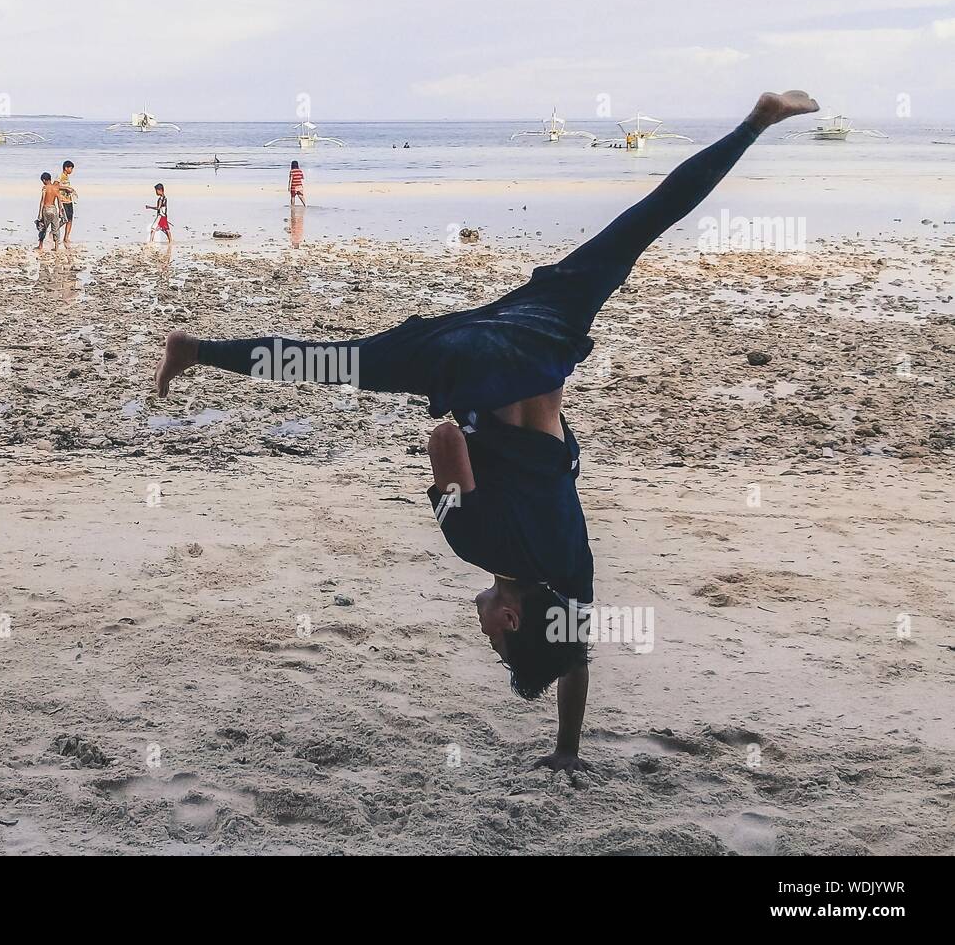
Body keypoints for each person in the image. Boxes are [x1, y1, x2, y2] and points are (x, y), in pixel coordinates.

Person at [153, 90, 819, 772]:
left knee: (645, 222)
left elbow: (573, 656)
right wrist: (454, 460)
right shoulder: (472, 542)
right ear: (508, 619)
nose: (483, 632)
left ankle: (757, 121)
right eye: (493, 641)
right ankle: (199, 349)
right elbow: (444, 439)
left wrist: (567, 751)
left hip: (544, 327)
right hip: (471, 361)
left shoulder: (570, 573)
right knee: (332, 362)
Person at [35, 171, 65, 253]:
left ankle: (40, 245)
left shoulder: (45, 188)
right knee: (56, 228)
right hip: (53, 209)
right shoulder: (56, 188)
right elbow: (59, 201)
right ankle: (56, 247)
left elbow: (42, 201)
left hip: (46, 209)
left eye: (43, 181)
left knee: (43, 228)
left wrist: (40, 213)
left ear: (44, 180)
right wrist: (60, 211)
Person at [57, 160, 78, 246]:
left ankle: (66, 237)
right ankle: (53, 231)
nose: (71, 171)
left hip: (69, 200)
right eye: (71, 169)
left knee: (70, 219)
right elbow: (55, 186)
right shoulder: (60, 176)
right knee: (64, 219)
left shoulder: (66, 177)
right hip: (62, 200)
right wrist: (65, 188)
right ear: (66, 168)